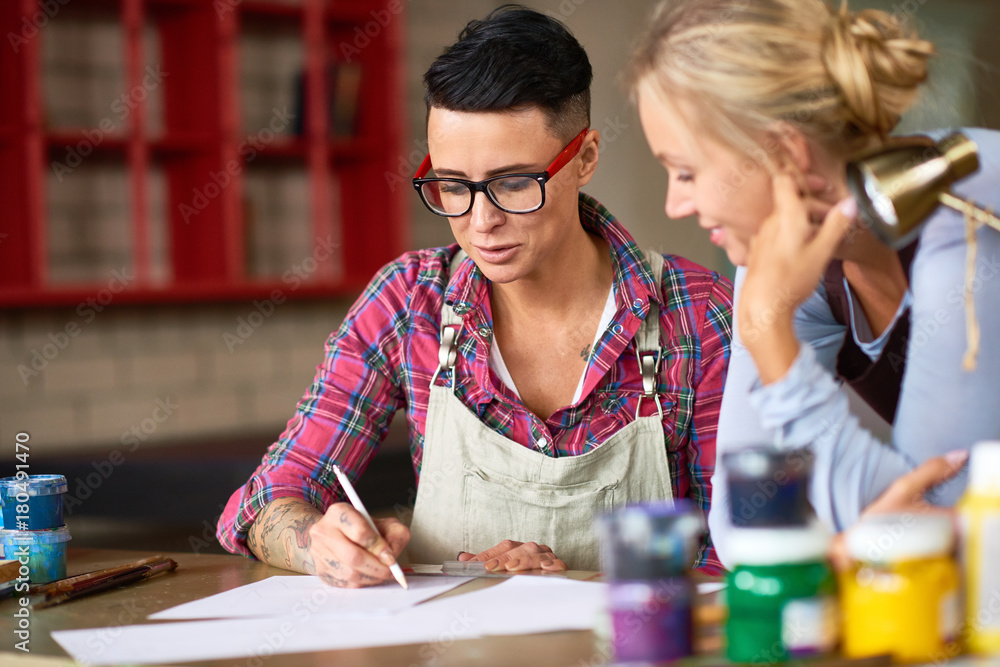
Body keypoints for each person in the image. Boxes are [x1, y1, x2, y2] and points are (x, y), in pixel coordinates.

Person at [217, 4, 733, 586]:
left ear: (585, 157)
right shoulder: (409, 301)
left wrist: (577, 582)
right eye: (453, 185)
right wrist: (321, 545)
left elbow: (743, 551)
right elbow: (263, 504)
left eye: (514, 182)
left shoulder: (697, 314)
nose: (480, 221)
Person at [626, 0, 1000, 567]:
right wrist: (854, 545)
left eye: (686, 172)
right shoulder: (787, 242)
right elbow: (744, 526)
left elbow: (941, 520)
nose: (675, 204)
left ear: (784, 155)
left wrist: (767, 333)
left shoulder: (965, 216)